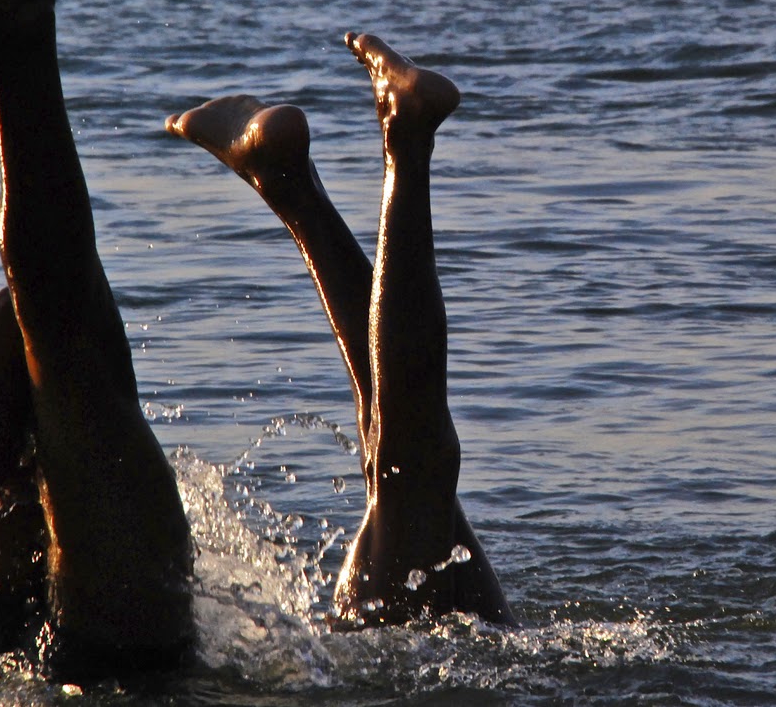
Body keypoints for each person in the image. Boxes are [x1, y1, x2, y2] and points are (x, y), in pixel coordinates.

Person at [0, 0, 508, 694]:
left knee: (36, 326)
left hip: (54, 630)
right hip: (117, 643)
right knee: (406, 487)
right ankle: (320, 165)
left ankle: (307, 168)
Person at [164, 36, 514, 627]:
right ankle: (322, 168)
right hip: (456, 640)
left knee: (403, 473)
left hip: (417, 649)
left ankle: (307, 172)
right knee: (402, 473)